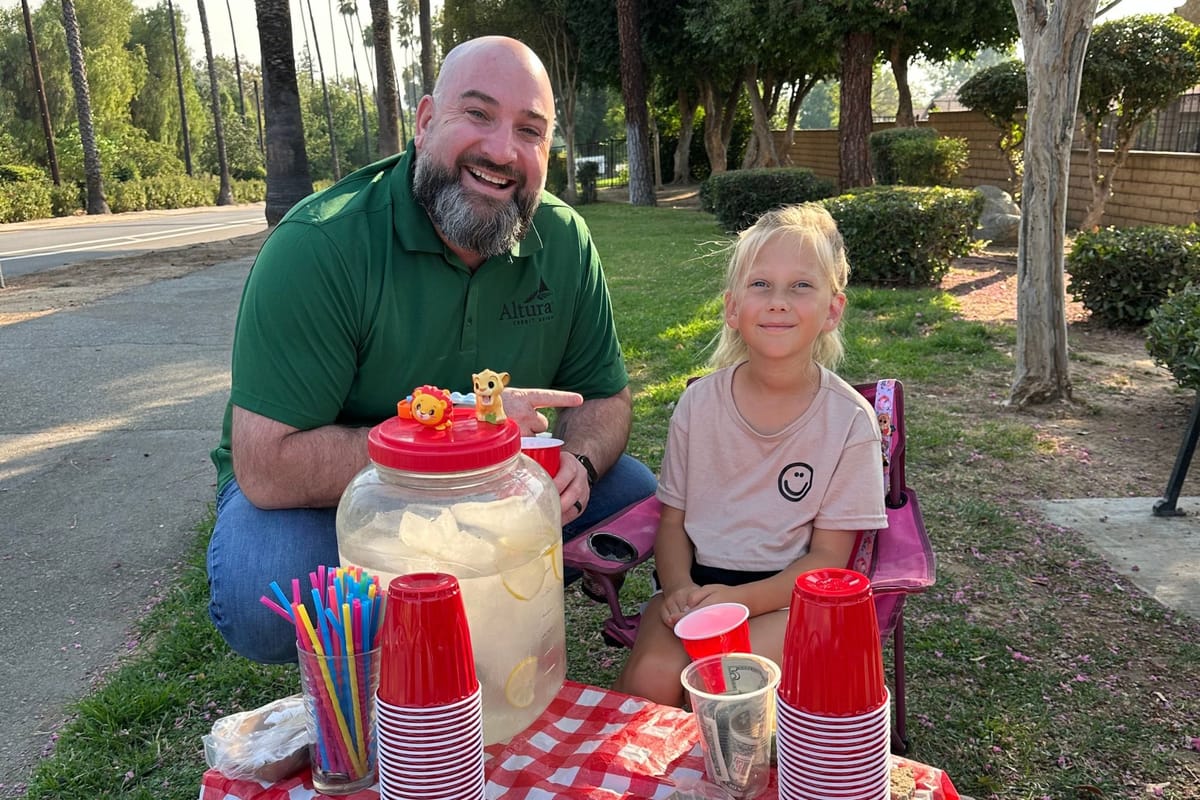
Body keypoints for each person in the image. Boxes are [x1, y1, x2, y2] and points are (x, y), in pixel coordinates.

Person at [207, 36, 656, 664]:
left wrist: (576, 459)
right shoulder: (319, 244)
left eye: (529, 130)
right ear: (424, 121)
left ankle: (457, 603)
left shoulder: (564, 238)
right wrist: (467, 438)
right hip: (348, 493)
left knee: (633, 494)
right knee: (268, 589)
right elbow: (267, 465)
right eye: (477, 114)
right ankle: (448, 607)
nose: (502, 151)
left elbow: (605, 395)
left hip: (501, 488)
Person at [612, 204, 888, 707]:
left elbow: (828, 558)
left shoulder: (849, 422)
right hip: (694, 584)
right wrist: (677, 588)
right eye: (761, 284)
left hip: (786, 600)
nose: (778, 302)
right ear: (732, 308)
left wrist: (740, 601)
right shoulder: (698, 404)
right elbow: (672, 522)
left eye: (801, 286)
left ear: (832, 309)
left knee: (728, 686)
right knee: (650, 683)